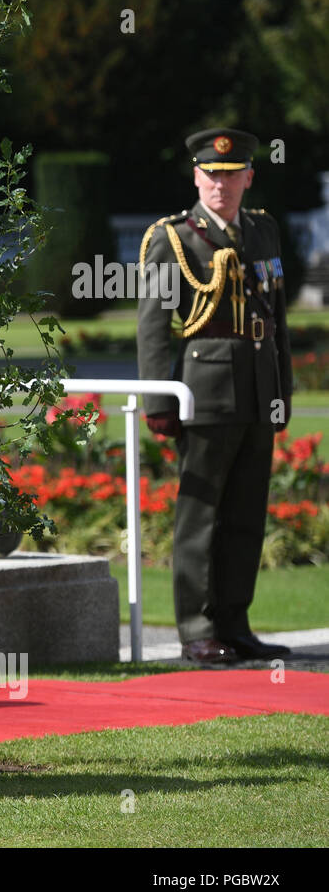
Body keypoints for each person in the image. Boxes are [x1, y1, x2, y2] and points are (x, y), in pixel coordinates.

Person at [137, 128, 293, 665]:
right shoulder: (175, 237)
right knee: (201, 512)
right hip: (203, 390)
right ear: (196, 176)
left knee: (247, 511)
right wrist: (159, 402)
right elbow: (154, 326)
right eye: (211, 175)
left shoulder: (265, 231)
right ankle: (197, 628)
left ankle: (235, 620)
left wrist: (283, 391)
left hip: (258, 386)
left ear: (248, 176)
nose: (220, 185)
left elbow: (279, 322)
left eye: (230, 175)